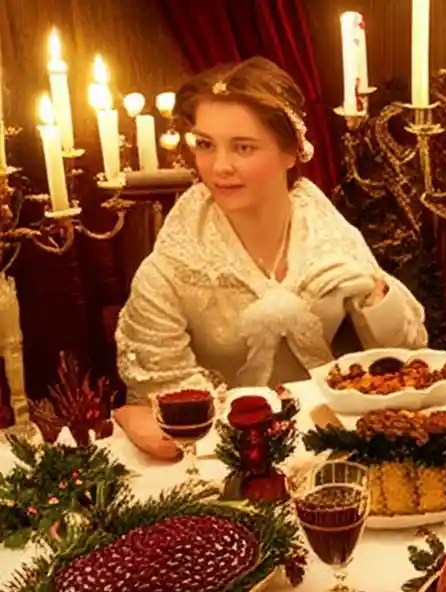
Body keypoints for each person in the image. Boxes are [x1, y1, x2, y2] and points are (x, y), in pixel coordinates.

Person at [114, 57, 428, 460]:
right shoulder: (172, 265)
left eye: (243, 147)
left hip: (339, 449)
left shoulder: (329, 235)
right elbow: (168, 404)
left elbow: (408, 363)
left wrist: (375, 296)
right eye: (205, 144)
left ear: (291, 151)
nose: (219, 166)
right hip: (224, 460)